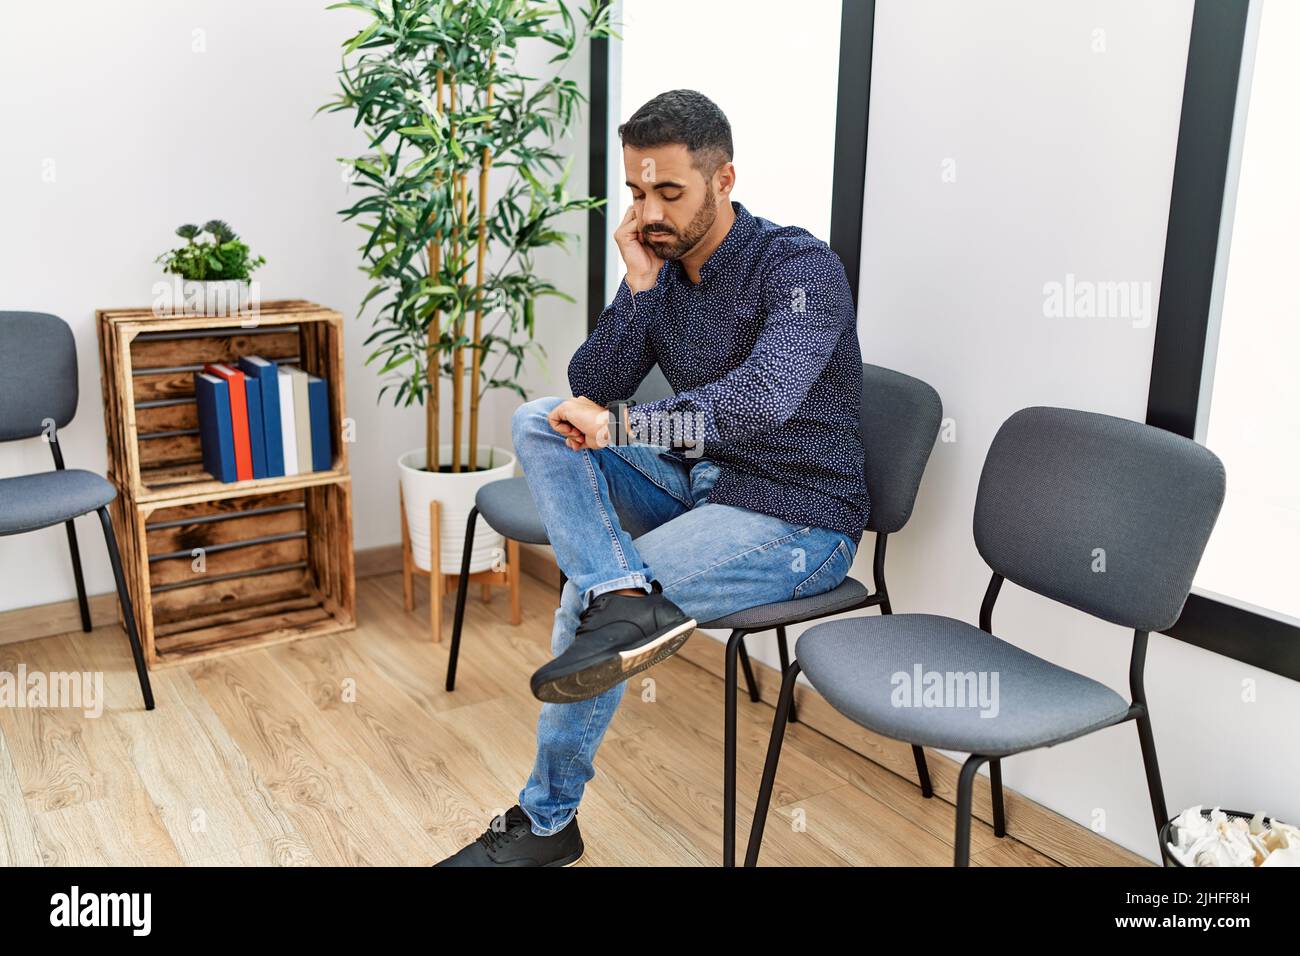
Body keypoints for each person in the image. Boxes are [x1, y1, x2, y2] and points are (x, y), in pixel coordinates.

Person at [435, 89, 868, 867]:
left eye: (670, 192)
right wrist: (636, 287)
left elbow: (762, 398)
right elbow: (591, 382)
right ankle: (623, 596)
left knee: (579, 603)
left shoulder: (801, 269)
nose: (651, 212)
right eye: (638, 193)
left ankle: (545, 826)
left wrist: (631, 426)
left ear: (723, 179)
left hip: (798, 517)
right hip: (697, 482)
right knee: (541, 419)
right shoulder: (658, 267)